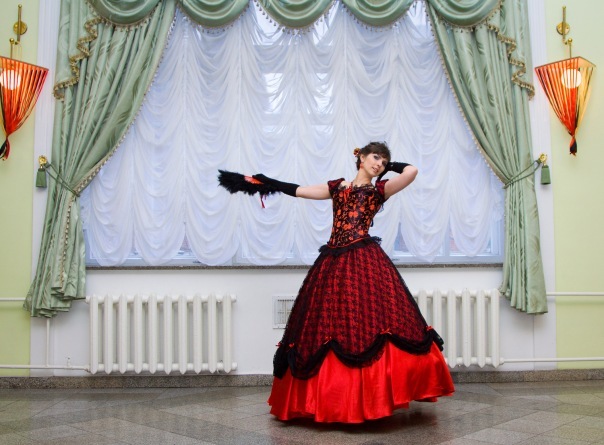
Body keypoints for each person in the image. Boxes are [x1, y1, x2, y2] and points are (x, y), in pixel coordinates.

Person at [219, 141, 454, 423]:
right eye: (375, 158)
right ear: (361, 157)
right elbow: (300, 190)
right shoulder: (338, 187)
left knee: (367, 320)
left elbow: (412, 171)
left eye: (383, 161)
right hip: (333, 260)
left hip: (365, 260)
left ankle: (371, 398)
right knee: (329, 322)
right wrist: (270, 182)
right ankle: (333, 401)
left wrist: (388, 167)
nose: (378, 164)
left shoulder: (380, 190)